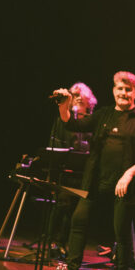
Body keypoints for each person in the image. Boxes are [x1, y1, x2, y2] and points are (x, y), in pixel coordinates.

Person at [51, 71, 135, 270]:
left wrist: (130, 173)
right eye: (120, 88)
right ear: (113, 90)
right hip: (96, 182)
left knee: (120, 231)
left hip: (124, 187)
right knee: (78, 221)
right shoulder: (104, 115)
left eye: (128, 89)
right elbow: (73, 125)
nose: (124, 93)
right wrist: (64, 105)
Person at [47, 82, 98, 256]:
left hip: (84, 174)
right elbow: (55, 144)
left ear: (88, 100)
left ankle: (66, 243)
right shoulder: (64, 119)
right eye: (74, 94)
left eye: (80, 95)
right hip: (65, 172)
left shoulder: (93, 121)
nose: (76, 97)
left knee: (77, 211)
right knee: (62, 204)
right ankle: (53, 242)